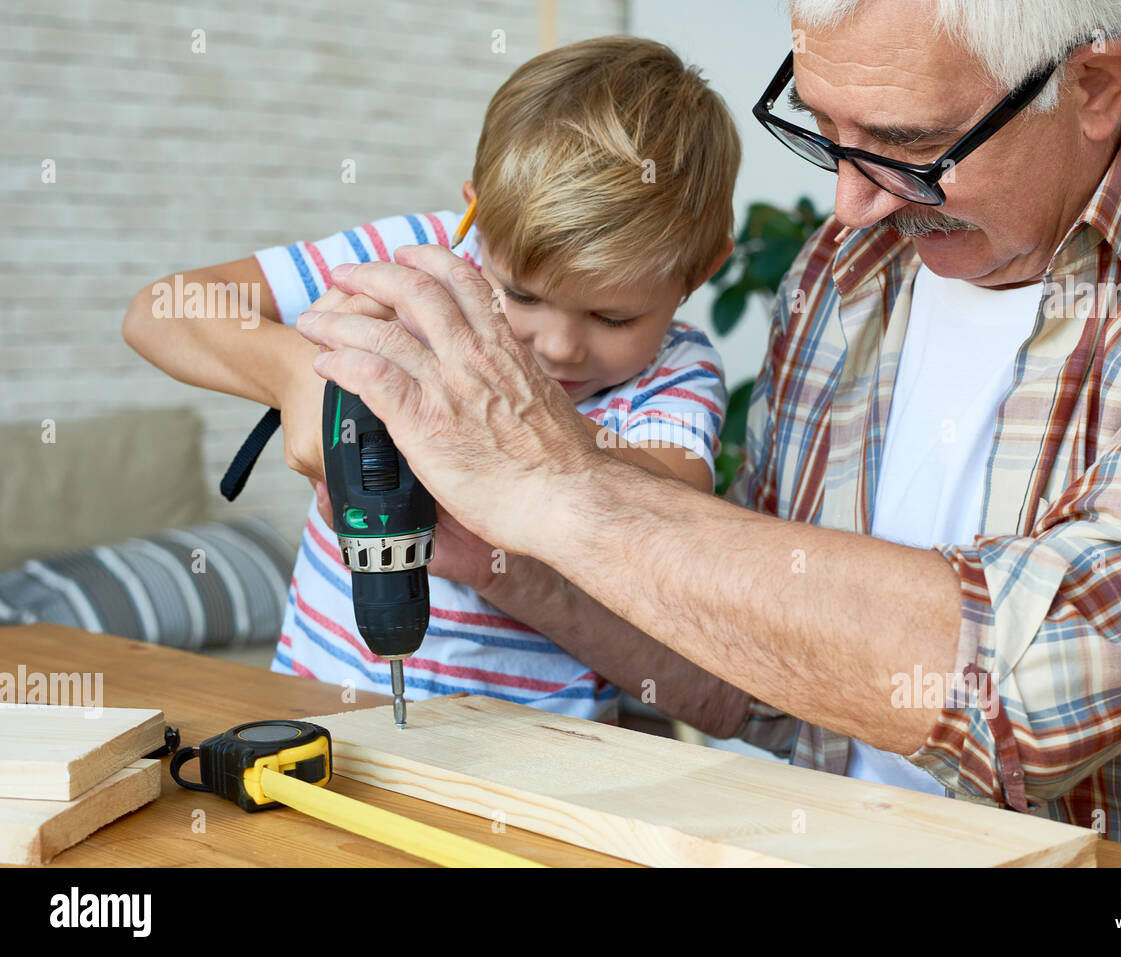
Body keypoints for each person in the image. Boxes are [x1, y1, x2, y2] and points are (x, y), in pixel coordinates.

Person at [286, 0, 1121, 867]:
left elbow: (1037, 690)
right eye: (821, 127)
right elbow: (759, 685)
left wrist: (564, 483)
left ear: (1091, 86)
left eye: (904, 145)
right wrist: (505, 559)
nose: (848, 203)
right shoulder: (846, 274)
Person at [122, 36, 738, 722]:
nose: (560, 347)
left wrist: (514, 435)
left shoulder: (676, 369)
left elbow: (679, 507)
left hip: (538, 760)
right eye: (522, 296)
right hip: (315, 705)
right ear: (476, 216)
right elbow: (161, 309)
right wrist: (299, 372)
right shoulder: (422, 264)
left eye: (613, 316)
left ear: (701, 267)